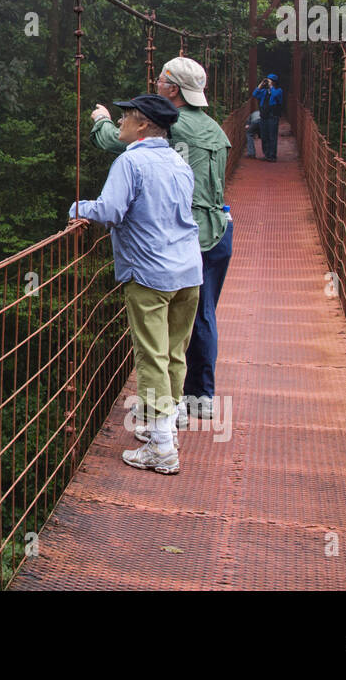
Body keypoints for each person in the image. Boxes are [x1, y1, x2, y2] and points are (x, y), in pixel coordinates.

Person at [91, 57, 232, 421]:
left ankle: (165, 421)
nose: (155, 82)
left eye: (159, 80)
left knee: (164, 334)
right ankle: (198, 398)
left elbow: (117, 142)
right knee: (199, 316)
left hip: (188, 234)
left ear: (172, 90)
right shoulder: (216, 128)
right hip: (221, 227)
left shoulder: (171, 128)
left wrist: (101, 121)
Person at [70, 93, 201, 474]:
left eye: (126, 117)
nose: (121, 123)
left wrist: (78, 208)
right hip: (189, 272)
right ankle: (165, 430)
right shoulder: (179, 162)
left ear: (143, 124)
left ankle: (161, 448)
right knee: (175, 353)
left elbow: (110, 211)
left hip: (150, 274)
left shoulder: (130, 162)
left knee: (150, 356)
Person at [252, 73, 284, 161]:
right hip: (264, 116)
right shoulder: (263, 92)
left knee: (272, 136)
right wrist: (260, 85)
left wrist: (271, 86)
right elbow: (254, 94)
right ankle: (266, 155)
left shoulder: (279, 91)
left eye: (270, 81)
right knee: (264, 136)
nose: (268, 82)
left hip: (273, 116)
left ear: (274, 82)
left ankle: (272, 156)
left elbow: (274, 95)